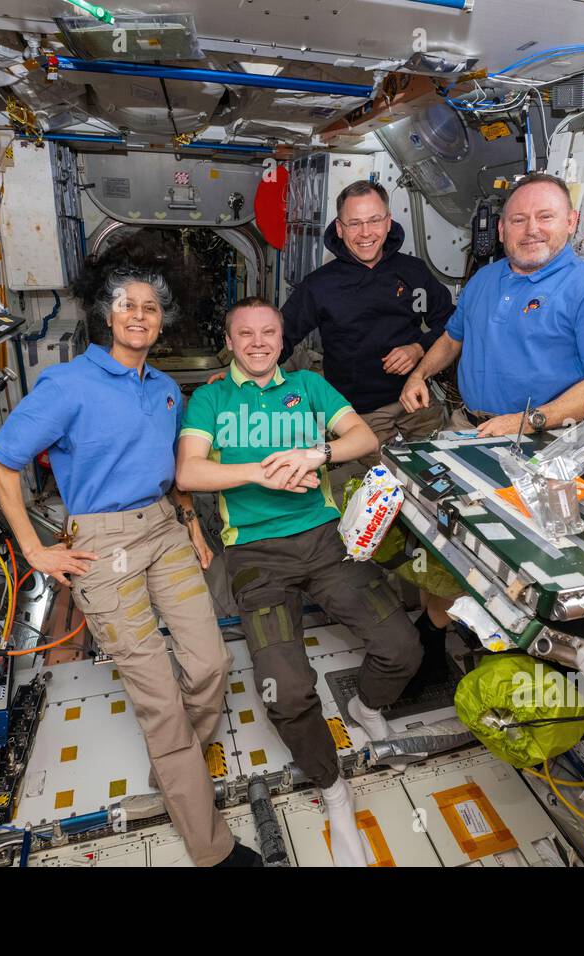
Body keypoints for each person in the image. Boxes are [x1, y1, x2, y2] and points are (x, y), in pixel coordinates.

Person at [0, 253, 260, 868]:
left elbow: (173, 470)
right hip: (102, 545)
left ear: (164, 321)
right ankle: (212, 848)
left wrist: (190, 523)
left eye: (151, 308)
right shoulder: (67, 385)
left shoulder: (163, 389)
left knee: (211, 663)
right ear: (107, 315)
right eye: (127, 305)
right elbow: (3, 462)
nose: (139, 316)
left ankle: (176, 764)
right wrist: (34, 548)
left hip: (164, 529)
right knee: (160, 698)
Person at [177, 296, 422, 867]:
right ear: (229, 342)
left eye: (268, 332)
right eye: (245, 334)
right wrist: (262, 472)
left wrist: (315, 454)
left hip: (325, 540)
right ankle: (332, 787)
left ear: (283, 339)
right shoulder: (211, 398)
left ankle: (366, 706)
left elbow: (364, 437)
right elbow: (188, 470)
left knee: (402, 648)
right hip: (255, 555)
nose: (258, 343)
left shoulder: (309, 386)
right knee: (287, 693)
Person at [400, 171, 584, 436]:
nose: (532, 230)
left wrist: (528, 421)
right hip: (469, 425)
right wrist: (419, 375)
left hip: (545, 435)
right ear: (501, 230)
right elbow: (452, 339)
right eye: (518, 220)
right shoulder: (483, 278)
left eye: (545, 217)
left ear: (571, 222)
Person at [281, 180, 455, 460]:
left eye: (374, 220)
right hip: (360, 413)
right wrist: (240, 376)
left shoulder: (413, 272)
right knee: (383, 484)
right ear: (340, 228)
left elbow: (450, 322)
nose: (365, 233)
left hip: (416, 399)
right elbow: (282, 336)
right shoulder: (320, 285)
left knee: (439, 470)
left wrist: (418, 348)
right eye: (354, 223)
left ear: (388, 222)